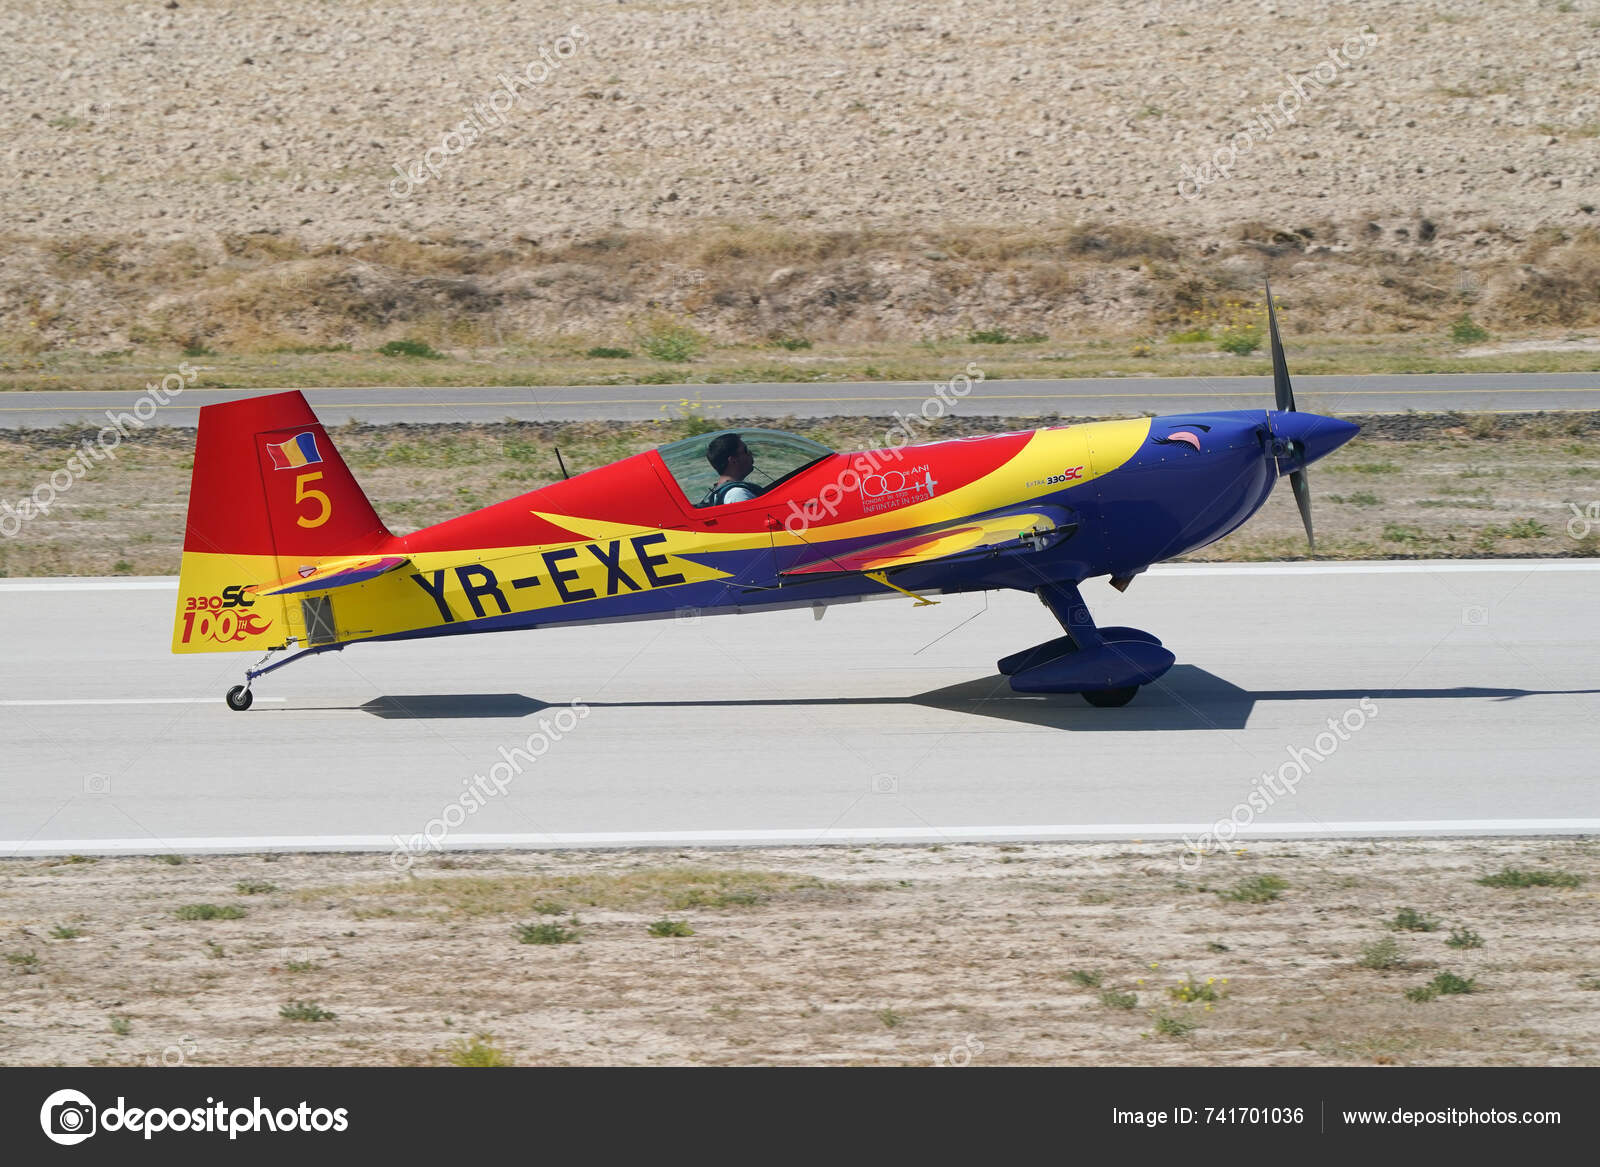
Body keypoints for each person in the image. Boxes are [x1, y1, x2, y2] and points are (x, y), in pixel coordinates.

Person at [698, 432, 765, 506]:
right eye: (745, 450)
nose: (750, 453)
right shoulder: (737, 495)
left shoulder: (722, 491)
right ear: (733, 460)